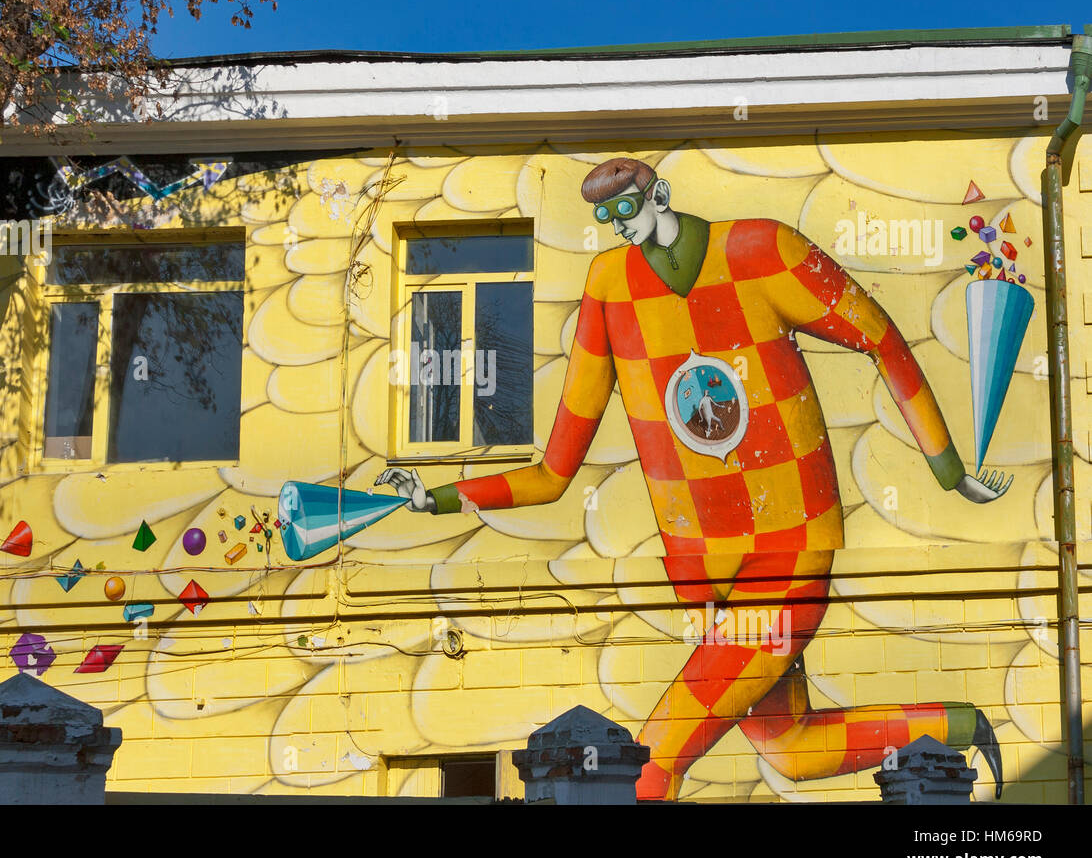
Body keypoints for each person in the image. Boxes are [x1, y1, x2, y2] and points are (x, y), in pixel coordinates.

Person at [378, 156, 1012, 801]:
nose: (617, 226)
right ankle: (958, 724)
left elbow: (880, 337)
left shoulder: (759, 250)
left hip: (786, 551)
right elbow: (554, 472)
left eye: (625, 207)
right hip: (707, 575)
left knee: (650, 765)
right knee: (792, 750)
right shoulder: (608, 287)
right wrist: (438, 498)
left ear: (659, 194)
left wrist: (949, 468)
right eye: (604, 215)